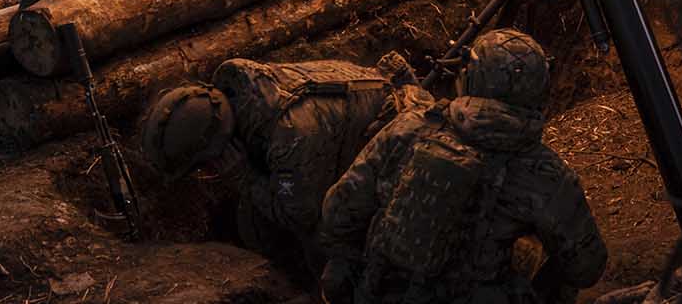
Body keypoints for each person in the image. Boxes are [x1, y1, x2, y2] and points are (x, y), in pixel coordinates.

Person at [318, 28, 606, 304]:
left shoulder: (412, 125)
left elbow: (337, 212)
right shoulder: (546, 173)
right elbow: (586, 268)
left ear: (470, 77)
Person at [138, 52, 429, 261]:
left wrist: (244, 177)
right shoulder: (246, 86)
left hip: (404, 142)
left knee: (324, 240)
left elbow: (300, 217)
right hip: (356, 121)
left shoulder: (289, 135)